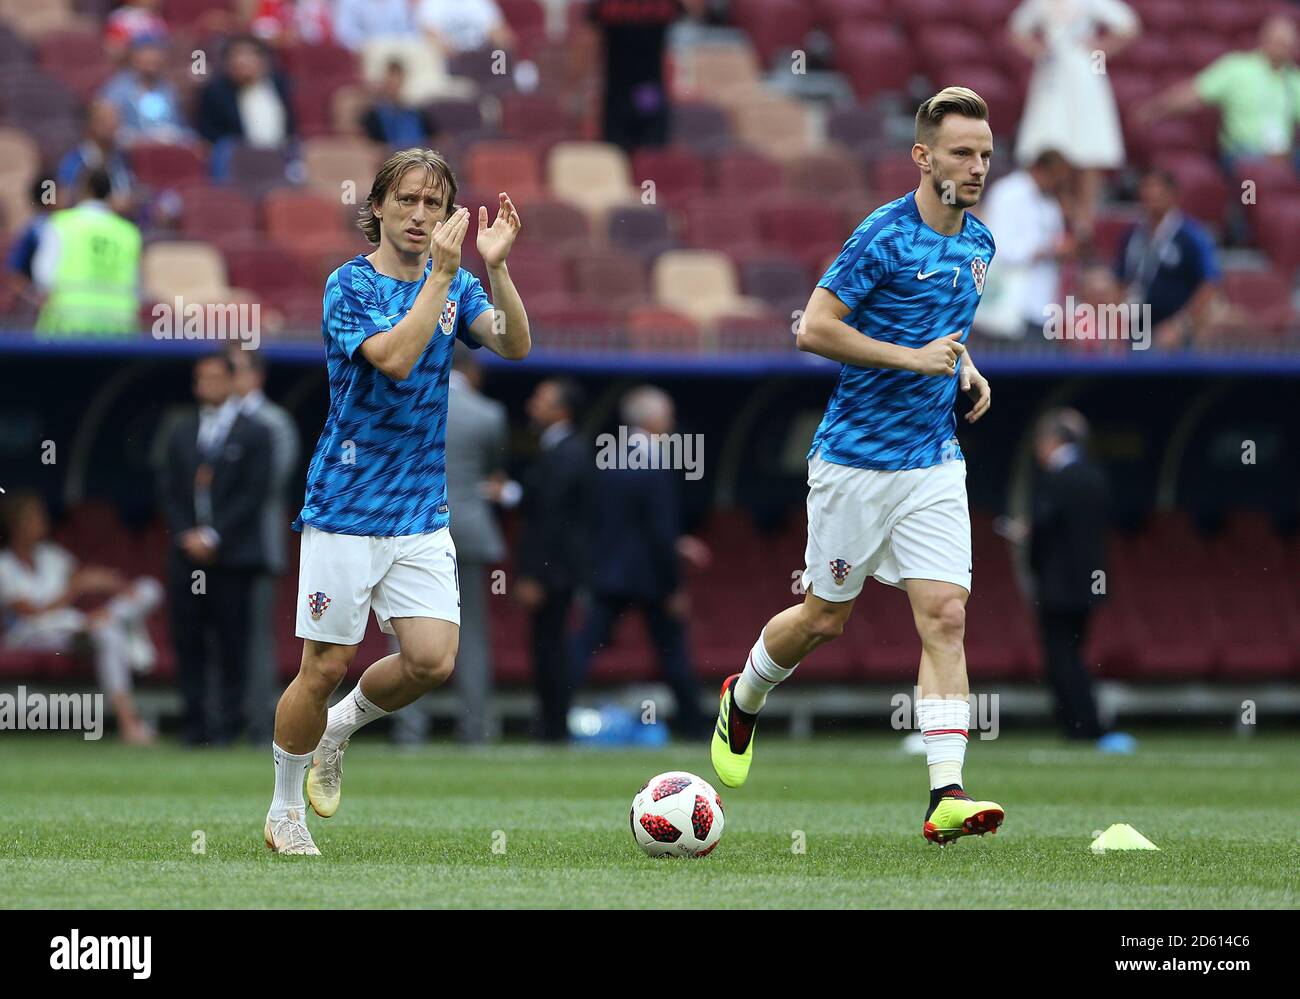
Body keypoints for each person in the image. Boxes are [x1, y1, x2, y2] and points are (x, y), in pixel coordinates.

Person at [711, 88, 1001, 846]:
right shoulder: (881, 235)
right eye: (963, 153)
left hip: (933, 462)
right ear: (923, 157)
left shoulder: (980, 244)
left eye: (985, 154)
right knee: (824, 618)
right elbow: (812, 329)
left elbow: (943, 331)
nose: (976, 167)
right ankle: (743, 696)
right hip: (853, 463)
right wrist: (915, 358)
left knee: (945, 614)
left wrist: (964, 369)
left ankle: (947, 792)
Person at [264, 148, 529, 855]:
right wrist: (441, 278)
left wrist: (496, 268)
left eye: (435, 205)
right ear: (377, 206)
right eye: (407, 200)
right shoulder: (349, 284)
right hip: (346, 505)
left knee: (432, 660)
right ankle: (283, 808)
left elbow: (515, 344)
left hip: (420, 510)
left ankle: (340, 729)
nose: (420, 216)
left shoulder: (461, 281)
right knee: (322, 665)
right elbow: (396, 358)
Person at [568, 386, 709, 738]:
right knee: (673, 654)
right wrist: (675, 585)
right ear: (652, 419)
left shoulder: (606, 457)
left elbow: (606, 521)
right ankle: (694, 728)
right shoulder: (656, 461)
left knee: (583, 647)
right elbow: (658, 530)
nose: (672, 421)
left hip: (609, 573)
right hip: (650, 579)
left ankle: (553, 719)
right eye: (667, 414)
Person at [393, 344, 512, 745]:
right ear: (471, 371)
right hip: (469, 531)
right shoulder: (489, 413)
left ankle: (410, 731)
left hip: (414, 526)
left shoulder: (406, 402)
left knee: (408, 634)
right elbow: (494, 475)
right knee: (472, 634)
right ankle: (476, 728)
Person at [160, 353, 273, 746]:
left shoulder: (257, 432)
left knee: (232, 641)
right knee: (189, 638)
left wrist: (215, 535)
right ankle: (194, 725)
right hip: (186, 557)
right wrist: (188, 534)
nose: (205, 385)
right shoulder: (179, 431)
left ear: (230, 381)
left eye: (213, 377)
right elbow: (169, 491)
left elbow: (254, 494)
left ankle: (227, 726)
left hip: (232, 556)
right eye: (199, 378)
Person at [0, 492, 161, 745]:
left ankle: (112, 617)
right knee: (104, 630)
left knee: (148, 590)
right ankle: (129, 722)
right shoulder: (4, 565)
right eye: (34, 517)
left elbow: (91, 576)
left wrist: (116, 587)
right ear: (16, 525)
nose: (42, 521)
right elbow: (31, 613)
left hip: (70, 629)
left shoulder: (52, 555)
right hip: (30, 634)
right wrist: (75, 588)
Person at [1023, 409, 1134, 752]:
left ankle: (1080, 725)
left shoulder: (1057, 478)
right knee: (1075, 654)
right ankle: (1086, 723)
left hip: (1058, 585)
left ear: (1053, 441)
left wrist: (1028, 546)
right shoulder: (1094, 475)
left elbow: (1042, 529)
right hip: (1089, 584)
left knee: (1062, 658)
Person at [1008, 0, 1138, 235]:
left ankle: (1085, 221)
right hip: (1053, 75)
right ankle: (1062, 216)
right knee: (1053, 146)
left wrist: (1099, 48)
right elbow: (1017, 29)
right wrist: (1038, 51)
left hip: (1084, 73)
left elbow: (1128, 26)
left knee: (1089, 146)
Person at [227, 346, 301, 744]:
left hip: (257, 544)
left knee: (257, 638)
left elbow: (270, 485)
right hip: (218, 548)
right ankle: (220, 718)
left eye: (234, 370)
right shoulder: (217, 420)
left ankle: (260, 722)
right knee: (219, 634)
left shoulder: (275, 422)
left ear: (255, 376)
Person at [515, 377, 591, 742]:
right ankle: (548, 723)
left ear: (562, 410)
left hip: (554, 573)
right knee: (546, 646)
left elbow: (549, 520)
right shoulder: (557, 449)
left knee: (552, 649)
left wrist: (534, 575)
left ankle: (554, 727)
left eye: (541, 399)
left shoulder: (569, 452)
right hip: (555, 571)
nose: (531, 405)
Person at [1138, 15, 1300, 172]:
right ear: (1264, 39)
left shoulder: (1294, 79)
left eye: (1287, 44)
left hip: (1284, 158)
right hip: (1243, 155)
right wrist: (1154, 109)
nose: (1282, 48)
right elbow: (1193, 94)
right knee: (1253, 173)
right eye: (1278, 41)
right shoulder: (1237, 68)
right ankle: (1251, 197)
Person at [1114, 168, 1220, 349]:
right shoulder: (1132, 236)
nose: (1150, 196)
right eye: (1146, 191)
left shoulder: (1192, 236)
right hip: (1135, 330)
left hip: (1175, 335)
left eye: (1157, 191)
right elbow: (1122, 281)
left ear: (1172, 195)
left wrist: (1180, 325)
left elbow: (1209, 284)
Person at [975, 149, 1074, 340]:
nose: (1057, 184)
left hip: (1041, 306)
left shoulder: (1050, 202)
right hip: (1009, 305)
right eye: (1055, 177)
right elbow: (997, 247)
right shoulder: (1008, 193)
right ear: (1039, 170)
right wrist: (1048, 250)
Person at [33, 168, 141, 338]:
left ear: (84, 189)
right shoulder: (129, 233)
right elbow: (136, 287)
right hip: (118, 329)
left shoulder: (60, 224)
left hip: (67, 326)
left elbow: (43, 277)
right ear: (110, 193)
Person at [195, 35, 296, 179]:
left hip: (278, 154)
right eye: (237, 55)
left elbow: (290, 128)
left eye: (250, 55)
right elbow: (209, 136)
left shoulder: (279, 85)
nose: (243, 61)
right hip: (237, 158)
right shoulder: (215, 92)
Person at [99, 37, 192, 146]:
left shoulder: (168, 90)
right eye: (145, 54)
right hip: (131, 155)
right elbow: (110, 131)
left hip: (169, 152)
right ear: (133, 57)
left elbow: (180, 127)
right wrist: (144, 139)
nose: (151, 59)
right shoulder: (117, 90)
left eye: (156, 54)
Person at [56, 99, 134, 213]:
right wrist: (108, 204)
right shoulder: (74, 163)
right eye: (105, 121)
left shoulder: (122, 160)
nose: (112, 126)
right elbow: (61, 202)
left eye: (115, 120)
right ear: (90, 124)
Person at [361, 60, 437, 148]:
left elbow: (435, 139)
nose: (394, 83)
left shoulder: (417, 113)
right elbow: (368, 145)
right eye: (391, 79)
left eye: (397, 78)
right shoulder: (373, 115)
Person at [419, 0, 514, 55]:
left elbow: (496, 27)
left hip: (483, 52)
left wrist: (500, 43)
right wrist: (449, 48)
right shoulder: (432, 3)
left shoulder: (481, 2)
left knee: (501, 53)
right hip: (453, 56)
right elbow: (429, 31)